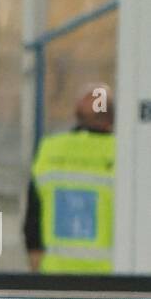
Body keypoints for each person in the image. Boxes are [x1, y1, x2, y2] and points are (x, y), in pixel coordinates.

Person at [24, 83, 115, 274]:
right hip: (113, 277)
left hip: (56, 275)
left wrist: (35, 268)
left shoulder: (51, 148)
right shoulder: (126, 153)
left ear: (77, 114)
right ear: (112, 118)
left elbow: (32, 216)